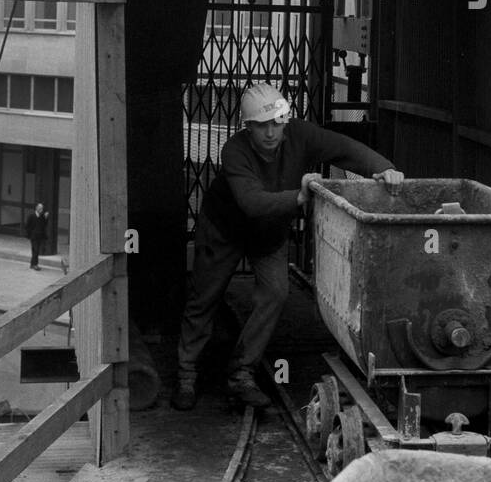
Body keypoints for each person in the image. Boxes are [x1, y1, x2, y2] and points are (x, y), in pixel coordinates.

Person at [173, 83, 404, 411]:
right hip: (224, 229)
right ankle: (186, 373)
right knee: (204, 297)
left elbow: (342, 147)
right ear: (248, 128)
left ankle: (241, 372)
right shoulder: (234, 151)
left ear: (285, 119)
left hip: (268, 231)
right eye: (261, 126)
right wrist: (298, 196)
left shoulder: (300, 134)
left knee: (276, 293)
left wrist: (384, 168)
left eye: (276, 123)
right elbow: (251, 202)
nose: (270, 132)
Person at [23, 202, 48, 271]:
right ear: (36, 208)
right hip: (33, 236)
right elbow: (27, 226)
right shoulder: (31, 216)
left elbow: (44, 225)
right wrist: (29, 234)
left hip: (39, 236)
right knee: (35, 250)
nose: (41, 210)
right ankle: (35, 264)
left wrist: (46, 218)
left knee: (35, 251)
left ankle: (32, 264)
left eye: (42, 208)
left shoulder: (42, 216)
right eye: (40, 208)